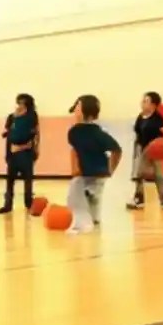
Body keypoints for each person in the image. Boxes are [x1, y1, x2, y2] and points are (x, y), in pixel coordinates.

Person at [66, 95, 121, 233]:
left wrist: (75, 169)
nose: (75, 111)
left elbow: (74, 151)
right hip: (98, 173)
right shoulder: (98, 132)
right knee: (93, 204)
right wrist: (110, 169)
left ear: (87, 111)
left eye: (78, 107)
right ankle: (94, 224)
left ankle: (80, 225)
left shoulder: (75, 131)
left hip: (85, 174)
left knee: (75, 201)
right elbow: (117, 150)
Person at [127, 92, 163, 210]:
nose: (142, 103)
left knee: (159, 176)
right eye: (143, 100)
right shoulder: (140, 117)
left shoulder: (158, 118)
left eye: (146, 101)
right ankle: (139, 200)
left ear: (153, 105)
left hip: (156, 151)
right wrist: (137, 149)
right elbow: (137, 133)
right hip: (143, 150)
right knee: (138, 174)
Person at [0, 93, 39, 214]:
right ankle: (8, 205)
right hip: (13, 153)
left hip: (26, 153)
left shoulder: (32, 117)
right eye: (18, 102)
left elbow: (35, 134)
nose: (19, 105)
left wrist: (35, 149)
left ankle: (29, 203)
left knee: (28, 179)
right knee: (10, 179)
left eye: (22, 103)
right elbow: (6, 132)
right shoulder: (11, 117)